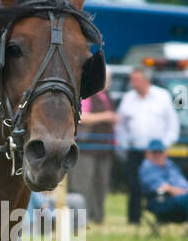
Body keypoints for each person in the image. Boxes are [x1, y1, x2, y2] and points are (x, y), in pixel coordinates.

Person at [117, 68, 179, 226]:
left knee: (159, 185)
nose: (132, 83)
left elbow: (172, 126)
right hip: (135, 151)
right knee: (134, 185)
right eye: (131, 79)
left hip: (157, 153)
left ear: (146, 80)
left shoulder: (162, 96)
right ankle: (134, 219)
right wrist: (125, 144)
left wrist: (162, 146)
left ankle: (162, 218)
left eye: (136, 79)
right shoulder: (128, 98)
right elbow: (120, 126)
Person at [68, 67, 117, 225]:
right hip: (86, 148)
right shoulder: (86, 95)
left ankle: (97, 217)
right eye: (104, 79)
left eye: (108, 79)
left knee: (101, 184)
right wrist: (105, 117)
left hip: (103, 148)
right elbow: (80, 117)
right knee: (82, 184)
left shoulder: (106, 96)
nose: (107, 82)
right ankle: (82, 219)